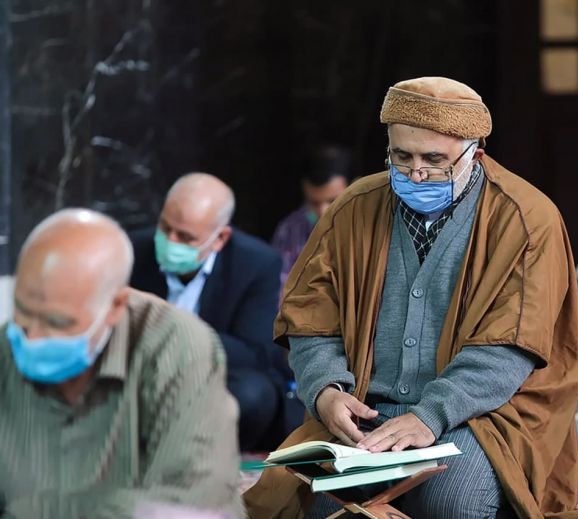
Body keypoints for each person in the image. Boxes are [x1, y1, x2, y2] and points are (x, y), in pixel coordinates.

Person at [244, 77, 578, 519]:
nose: (416, 173)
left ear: (474, 154)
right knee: (321, 502)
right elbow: (312, 319)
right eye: (401, 157)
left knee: (451, 504)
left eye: (434, 159)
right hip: (365, 406)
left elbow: (510, 347)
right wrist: (326, 390)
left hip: (479, 417)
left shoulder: (526, 219)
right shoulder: (353, 207)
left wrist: (430, 416)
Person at [0, 209, 243, 518]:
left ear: (115, 307)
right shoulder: (7, 349)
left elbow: (188, 501)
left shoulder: (179, 349)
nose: (32, 338)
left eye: (57, 323)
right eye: (22, 311)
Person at [129, 173, 301, 452]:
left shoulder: (255, 263)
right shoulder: (135, 249)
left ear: (219, 238)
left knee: (253, 393)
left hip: (213, 378)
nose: (170, 241)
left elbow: (254, 351)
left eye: (185, 237)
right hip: (145, 375)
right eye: (165, 227)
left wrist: (176, 329)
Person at [272, 145, 350, 290]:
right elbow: (281, 289)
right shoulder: (290, 229)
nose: (323, 212)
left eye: (333, 201)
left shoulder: (373, 226)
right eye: (314, 203)